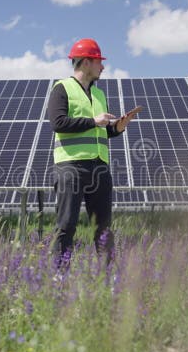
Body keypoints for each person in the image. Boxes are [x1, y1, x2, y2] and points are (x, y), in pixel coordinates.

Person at [47, 38, 136, 268]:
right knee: (67, 224)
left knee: (104, 228)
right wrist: (93, 121)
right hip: (71, 167)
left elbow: (100, 132)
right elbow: (58, 122)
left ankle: (107, 279)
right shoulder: (62, 88)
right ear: (86, 62)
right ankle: (59, 277)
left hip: (99, 169)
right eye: (99, 62)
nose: (103, 67)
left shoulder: (99, 95)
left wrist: (117, 128)